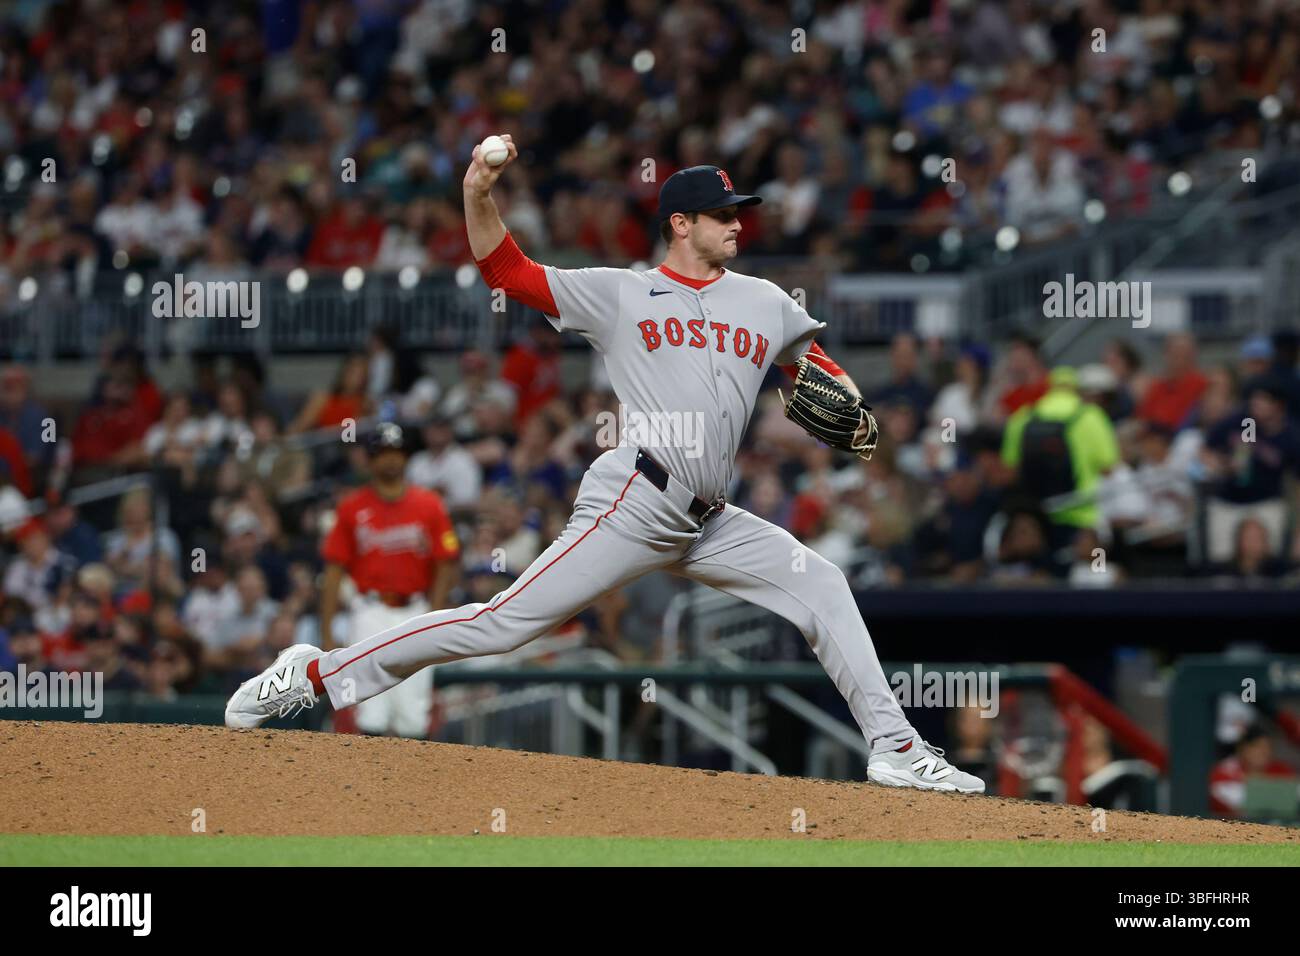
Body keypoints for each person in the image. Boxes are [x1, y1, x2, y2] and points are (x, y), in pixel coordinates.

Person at [226, 144, 984, 793]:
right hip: (636, 499)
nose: (737, 223)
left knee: (822, 582)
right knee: (499, 626)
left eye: (738, 211)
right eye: (722, 214)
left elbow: (817, 368)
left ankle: (898, 749)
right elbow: (507, 271)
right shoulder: (622, 292)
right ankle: (315, 676)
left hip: (711, 519)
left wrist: (850, 407)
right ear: (680, 224)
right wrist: (476, 194)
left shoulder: (767, 301)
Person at [317, 422, 460, 738]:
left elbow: (446, 563)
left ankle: (407, 787)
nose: (391, 460)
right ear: (369, 460)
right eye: (383, 453)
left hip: (415, 609)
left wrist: (433, 614)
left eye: (397, 452)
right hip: (370, 610)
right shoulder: (351, 507)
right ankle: (368, 786)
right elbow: (334, 570)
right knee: (372, 713)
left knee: (412, 717)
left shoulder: (430, 504)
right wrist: (327, 633)